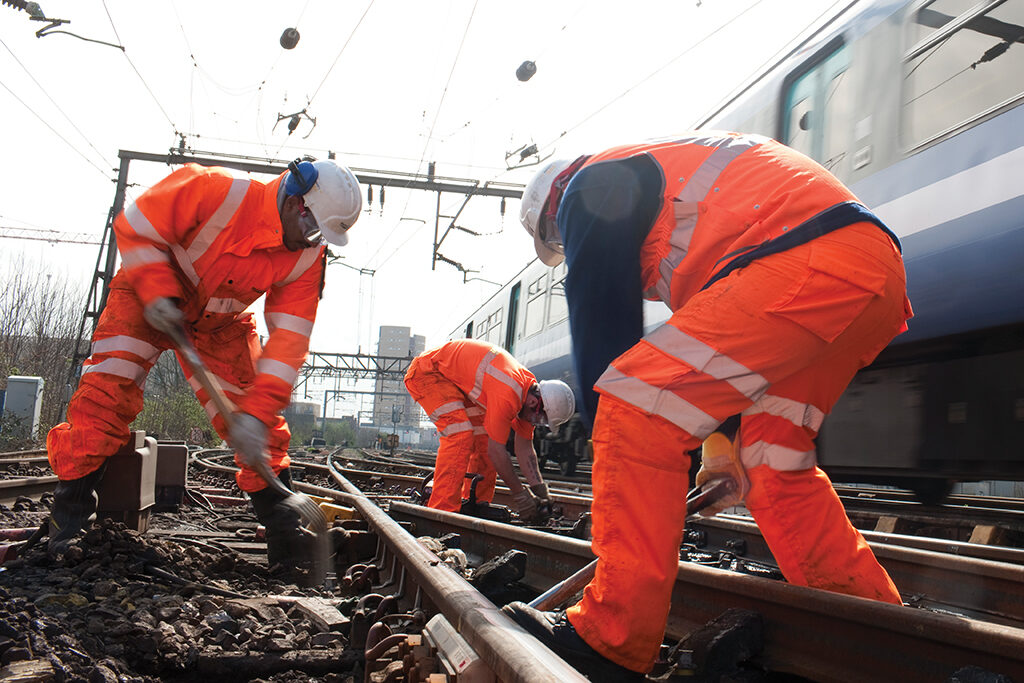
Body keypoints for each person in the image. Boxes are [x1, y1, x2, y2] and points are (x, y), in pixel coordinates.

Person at [504, 132, 913, 680]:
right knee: (771, 463)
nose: (567, 245)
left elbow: (603, 327)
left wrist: (618, 439)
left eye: (559, 240)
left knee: (631, 403)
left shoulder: (590, 185)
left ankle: (609, 638)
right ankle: (873, 626)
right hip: (868, 274)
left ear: (554, 212)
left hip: (802, 261)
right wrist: (720, 453)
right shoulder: (685, 203)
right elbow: (719, 376)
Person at [45, 157, 362, 576]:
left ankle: (285, 536)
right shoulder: (216, 190)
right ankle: (67, 524)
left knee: (260, 426)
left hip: (220, 322)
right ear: (295, 204)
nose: (313, 240)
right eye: (313, 228)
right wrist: (159, 292)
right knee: (105, 393)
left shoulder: (306, 257)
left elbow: (289, 342)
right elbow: (136, 223)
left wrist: (255, 412)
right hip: (148, 295)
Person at [404, 338, 575, 520]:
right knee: (459, 434)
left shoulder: (528, 393)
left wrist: (540, 490)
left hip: (455, 384)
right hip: (429, 373)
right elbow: (497, 452)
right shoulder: (509, 392)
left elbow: (525, 448)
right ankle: (441, 510)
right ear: (535, 403)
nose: (537, 423)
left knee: (483, 442)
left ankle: (476, 503)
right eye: (540, 420)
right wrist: (520, 495)